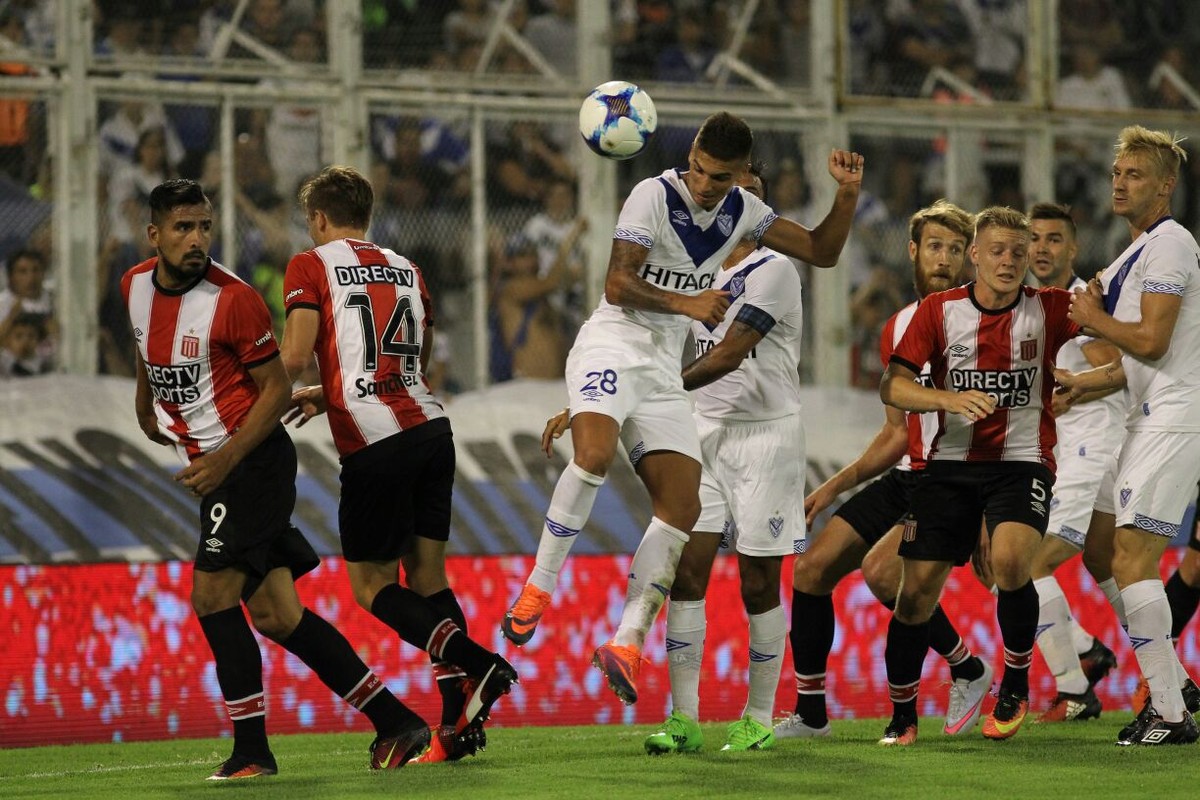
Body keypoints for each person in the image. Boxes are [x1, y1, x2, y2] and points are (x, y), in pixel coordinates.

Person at [500, 111, 864, 707]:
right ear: (689, 155)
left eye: (718, 178)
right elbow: (618, 283)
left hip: (670, 371)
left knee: (681, 508)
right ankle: (538, 589)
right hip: (616, 342)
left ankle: (626, 641)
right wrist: (688, 302)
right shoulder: (653, 193)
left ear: (741, 175)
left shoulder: (747, 215)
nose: (702, 184)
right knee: (591, 456)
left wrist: (845, 195)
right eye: (697, 168)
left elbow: (822, 251)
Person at [122, 179, 432, 780]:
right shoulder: (133, 284)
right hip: (220, 468)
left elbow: (276, 390)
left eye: (205, 227)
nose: (197, 240)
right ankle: (396, 720)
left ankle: (251, 753)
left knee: (212, 596)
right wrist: (145, 404)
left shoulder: (232, 299)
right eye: (183, 229)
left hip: (251, 464)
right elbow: (144, 347)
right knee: (278, 616)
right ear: (154, 234)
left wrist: (225, 461)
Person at [279, 165, 517, 764]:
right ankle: (456, 723)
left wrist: (254, 398)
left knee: (371, 586)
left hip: (375, 441)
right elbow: (419, 355)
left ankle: (479, 664)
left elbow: (292, 355)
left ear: (318, 219)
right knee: (429, 578)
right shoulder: (406, 267)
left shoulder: (310, 265)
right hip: (430, 428)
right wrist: (327, 390)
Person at [779, 200, 992, 741]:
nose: (943, 259)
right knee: (812, 569)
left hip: (955, 479)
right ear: (914, 251)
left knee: (880, 572)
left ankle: (943, 688)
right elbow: (896, 432)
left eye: (953, 249)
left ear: (968, 260)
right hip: (906, 474)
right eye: (934, 246)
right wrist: (829, 487)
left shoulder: (987, 326)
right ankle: (811, 715)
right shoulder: (898, 327)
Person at [879, 206, 1079, 745]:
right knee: (914, 595)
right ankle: (902, 718)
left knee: (1014, 559)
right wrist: (946, 397)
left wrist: (1099, 378)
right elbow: (893, 388)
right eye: (998, 251)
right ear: (975, 256)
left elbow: (1133, 332)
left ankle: (1015, 685)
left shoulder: (1052, 308)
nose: (1010, 262)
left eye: (1019, 252)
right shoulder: (938, 312)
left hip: (1022, 462)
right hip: (948, 467)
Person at [1055, 126, 1200, 745]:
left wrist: (1093, 318)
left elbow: (1154, 342)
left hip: (1175, 414)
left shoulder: (1169, 246)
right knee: (1120, 551)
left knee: (1131, 556)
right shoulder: (1137, 251)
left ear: (1166, 186)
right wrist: (1088, 384)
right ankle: (1174, 695)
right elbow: (1142, 361)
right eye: (1117, 171)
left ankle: (1170, 713)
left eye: (1135, 174)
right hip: (1155, 408)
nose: (1119, 181)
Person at [1024, 202, 1123, 722]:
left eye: (1054, 239)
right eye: (1035, 238)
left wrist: (1073, 393)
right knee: (1110, 565)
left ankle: (1074, 687)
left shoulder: (1079, 305)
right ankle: (1172, 676)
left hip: (1091, 450)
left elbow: (1116, 370)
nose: (1042, 248)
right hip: (1070, 453)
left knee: (1026, 563)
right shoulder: (1033, 307)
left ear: (1073, 248)